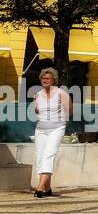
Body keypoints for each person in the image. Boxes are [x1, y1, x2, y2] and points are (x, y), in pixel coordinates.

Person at [31, 68, 71, 199]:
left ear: (54, 80)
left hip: (56, 128)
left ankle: (40, 187)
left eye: (48, 78)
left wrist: (58, 120)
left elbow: (69, 111)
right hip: (40, 129)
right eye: (43, 78)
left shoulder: (61, 93)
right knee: (40, 156)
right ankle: (47, 188)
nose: (45, 80)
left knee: (48, 154)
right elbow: (38, 112)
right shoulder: (37, 94)